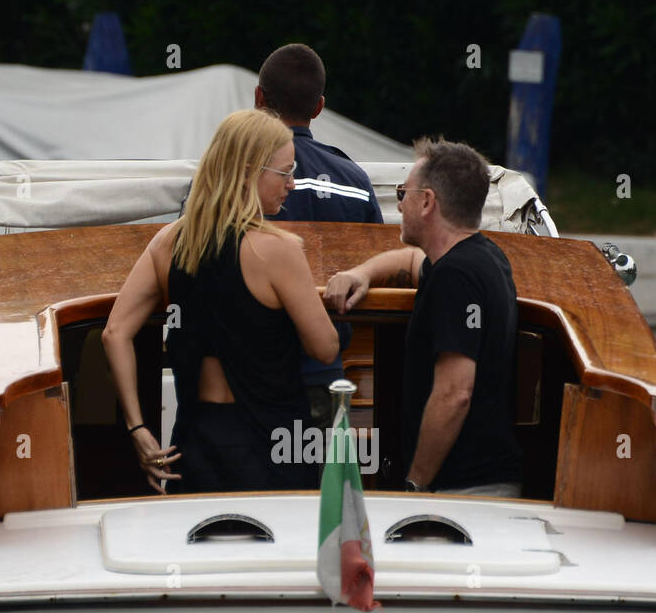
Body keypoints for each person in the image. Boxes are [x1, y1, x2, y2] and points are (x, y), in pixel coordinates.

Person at [103, 109, 339, 494]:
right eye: (285, 172)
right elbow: (325, 348)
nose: (292, 185)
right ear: (248, 171)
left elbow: (114, 333)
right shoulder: (279, 250)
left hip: (195, 440)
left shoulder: (168, 242)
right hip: (275, 443)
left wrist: (138, 427)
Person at [324, 138, 523, 497]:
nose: (399, 206)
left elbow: (454, 393)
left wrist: (415, 483)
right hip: (482, 484)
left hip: (464, 492)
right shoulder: (481, 256)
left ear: (428, 201)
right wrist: (362, 273)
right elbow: (412, 262)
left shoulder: (455, 276)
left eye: (403, 194)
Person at [255, 43, 381, 430]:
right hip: (327, 377)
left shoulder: (225, 180)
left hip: (243, 378)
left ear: (259, 98)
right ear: (319, 106)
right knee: (319, 487)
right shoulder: (355, 184)